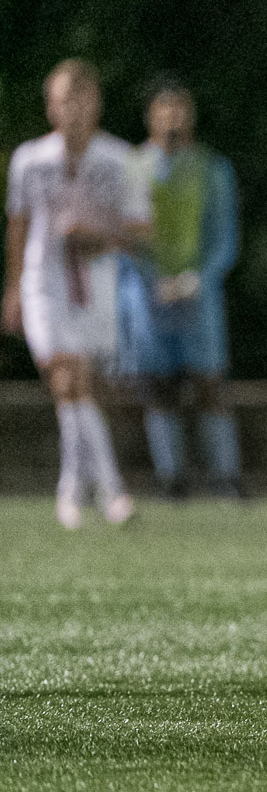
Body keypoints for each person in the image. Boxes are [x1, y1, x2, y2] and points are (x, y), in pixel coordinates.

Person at [4, 60, 149, 527]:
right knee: (67, 377)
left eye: (83, 98)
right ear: (51, 107)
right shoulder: (28, 160)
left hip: (95, 288)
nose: (75, 109)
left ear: (97, 104)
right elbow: (18, 226)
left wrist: (98, 235)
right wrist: (13, 288)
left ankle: (71, 490)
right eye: (66, 98)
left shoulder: (120, 160)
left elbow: (140, 230)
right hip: (44, 285)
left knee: (80, 388)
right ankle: (113, 491)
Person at [122, 81, 242, 497]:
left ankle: (227, 477)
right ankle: (171, 478)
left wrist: (197, 279)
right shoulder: (131, 167)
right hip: (146, 296)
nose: (172, 118)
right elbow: (124, 236)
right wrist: (150, 278)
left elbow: (224, 238)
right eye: (164, 109)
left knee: (210, 382)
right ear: (150, 115)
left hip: (199, 296)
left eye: (180, 109)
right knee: (156, 385)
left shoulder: (213, 168)